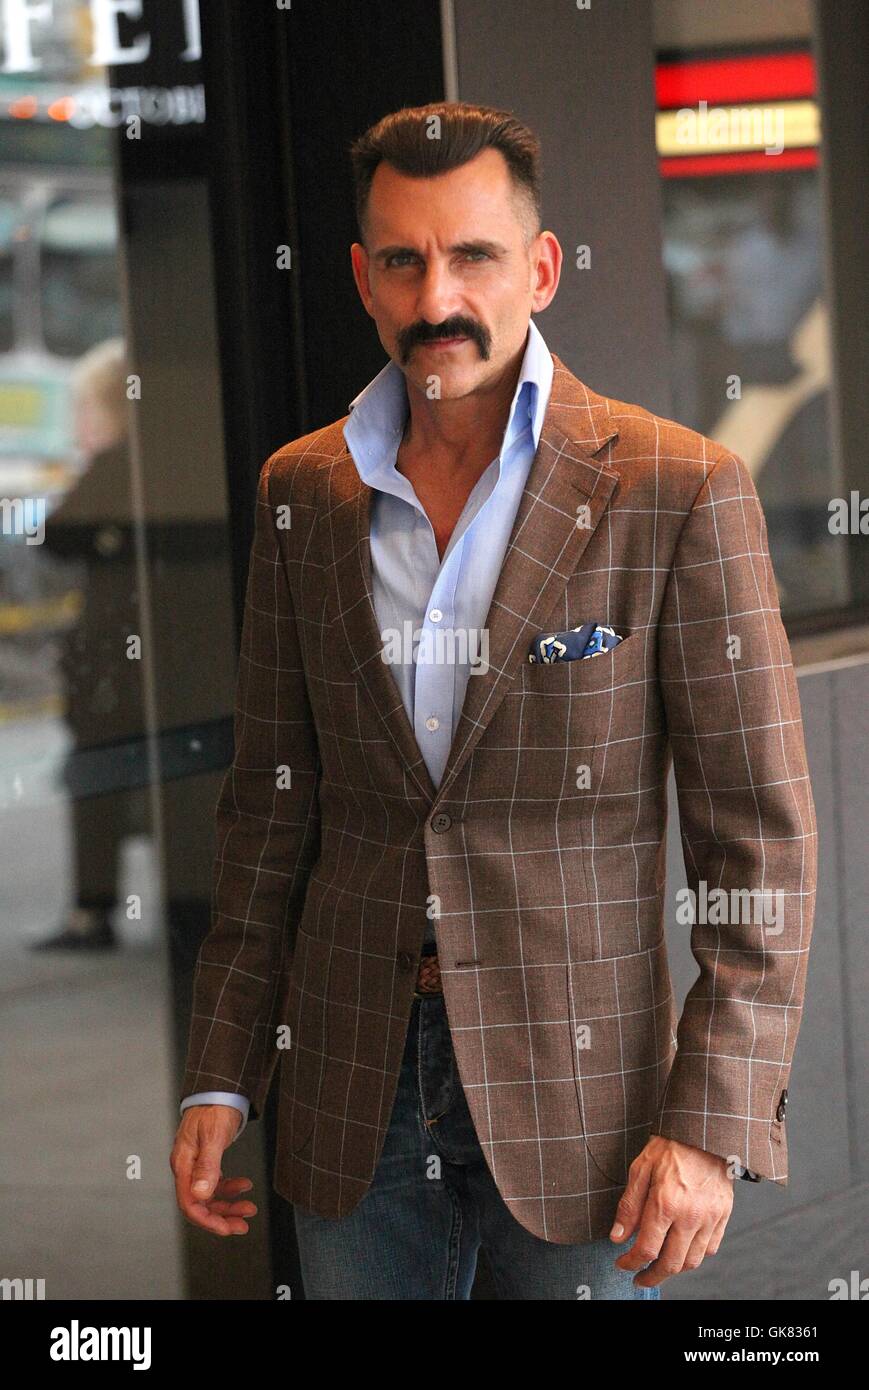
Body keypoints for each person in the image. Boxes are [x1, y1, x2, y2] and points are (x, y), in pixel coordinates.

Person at [171, 102, 817, 1299]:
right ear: (363, 279)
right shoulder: (299, 492)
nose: (437, 301)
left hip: (586, 1115)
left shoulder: (675, 486)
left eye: (471, 256)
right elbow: (268, 811)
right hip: (348, 1096)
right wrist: (221, 1070)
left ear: (539, 268)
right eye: (404, 262)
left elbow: (758, 840)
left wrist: (714, 1122)